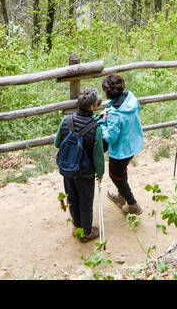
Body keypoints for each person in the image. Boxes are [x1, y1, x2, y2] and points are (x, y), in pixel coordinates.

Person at [55, 87, 105, 242]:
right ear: (92, 107)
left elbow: (57, 143)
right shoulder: (95, 129)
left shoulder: (66, 121)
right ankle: (87, 232)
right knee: (85, 202)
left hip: (68, 170)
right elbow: (98, 157)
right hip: (85, 172)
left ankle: (77, 227)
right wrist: (100, 173)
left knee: (72, 199)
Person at [100, 73, 144, 215]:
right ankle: (121, 196)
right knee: (121, 172)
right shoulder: (131, 98)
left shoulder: (115, 114)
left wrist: (103, 126)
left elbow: (111, 138)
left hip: (121, 150)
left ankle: (132, 204)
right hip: (133, 143)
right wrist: (109, 113)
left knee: (115, 176)